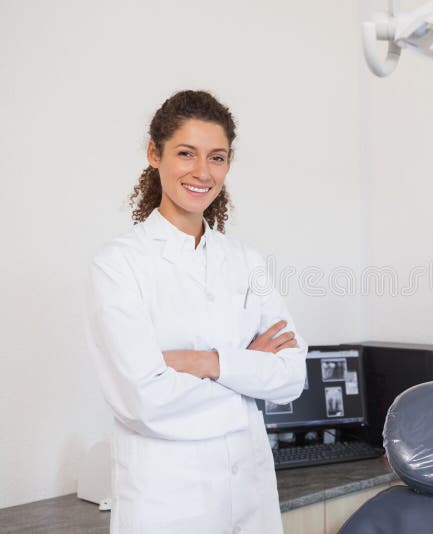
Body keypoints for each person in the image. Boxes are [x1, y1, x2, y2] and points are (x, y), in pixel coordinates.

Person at [86, 90, 307, 534]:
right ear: (155, 154)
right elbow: (144, 400)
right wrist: (247, 374)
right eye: (186, 154)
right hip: (168, 507)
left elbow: (291, 378)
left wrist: (206, 363)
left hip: (249, 500)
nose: (202, 172)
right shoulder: (118, 266)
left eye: (217, 157)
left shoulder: (247, 262)